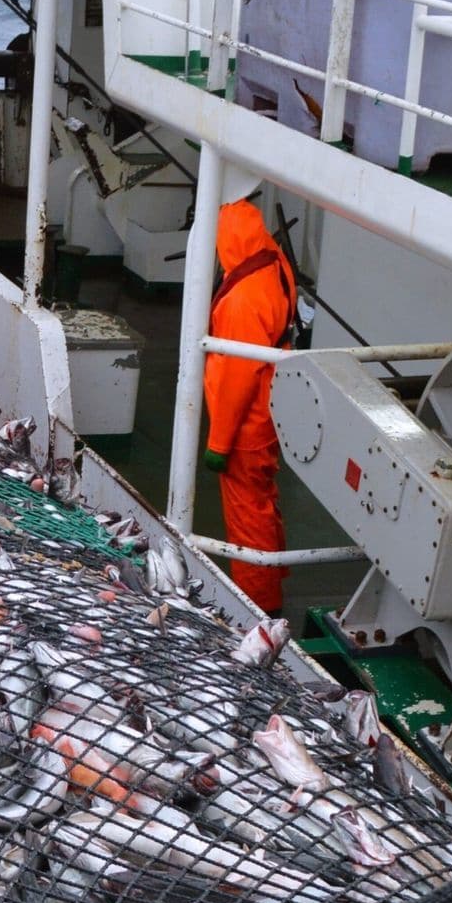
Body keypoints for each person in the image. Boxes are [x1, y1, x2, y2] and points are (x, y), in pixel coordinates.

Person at [201, 198, 297, 615]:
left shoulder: (243, 300)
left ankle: (259, 611)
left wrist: (219, 444)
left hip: (245, 424)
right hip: (271, 406)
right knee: (263, 500)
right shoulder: (273, 261)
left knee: (247, 517)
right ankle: (272, 579)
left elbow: (238, 378)